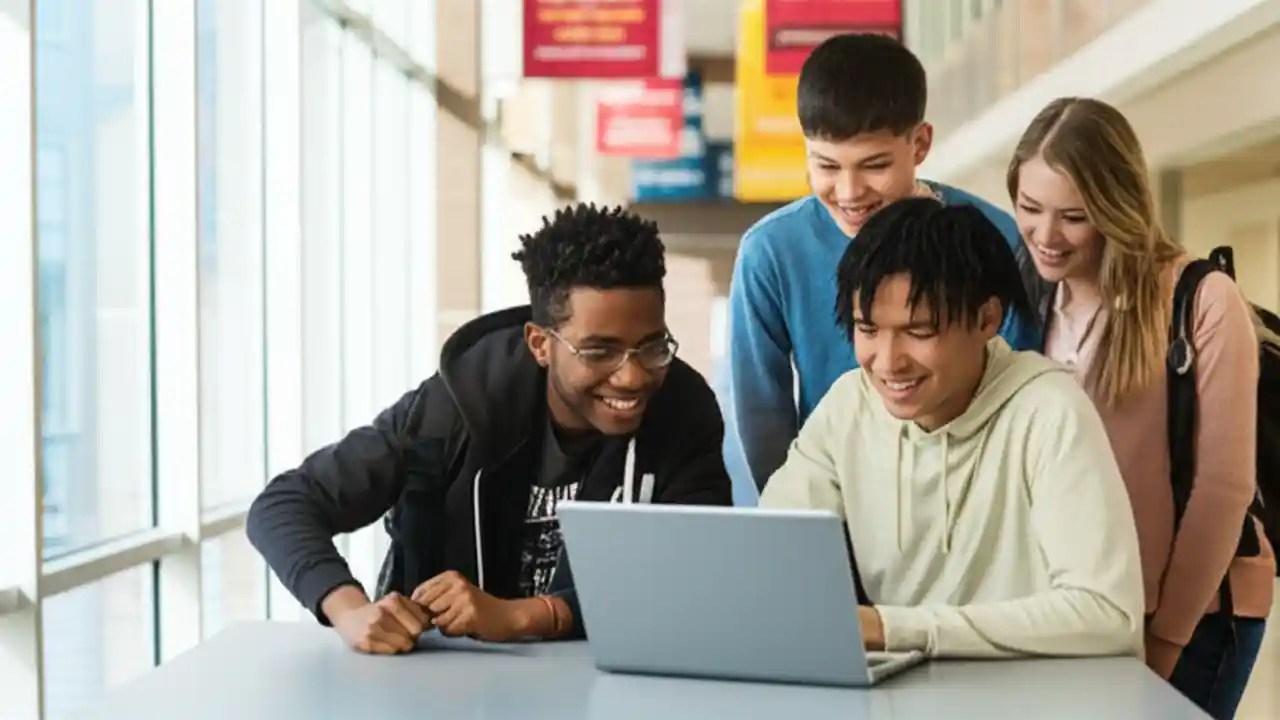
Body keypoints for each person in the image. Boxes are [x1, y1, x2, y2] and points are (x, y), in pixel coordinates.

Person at [247, 203, 732, 653]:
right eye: (599, 351)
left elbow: (697, 576)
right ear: (540, 344)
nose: (633, 376)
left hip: (603, 684)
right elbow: (284, 505)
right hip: (437, 690)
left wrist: (525, 616)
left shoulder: (683, 412)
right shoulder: (456, 405)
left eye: (651, 346)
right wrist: (349, 610)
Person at [759, 197, 1144, 659]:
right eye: (868, 329)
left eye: (919, 332)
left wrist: (893, 627)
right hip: (910, 695)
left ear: (987, 319)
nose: (888, 361)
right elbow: (773, 551)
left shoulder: (1049, 410)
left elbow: (1107, 615)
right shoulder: (850, 404)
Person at [1009, 97, 1273, 718]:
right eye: (1028, 209)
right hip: (1074, 605)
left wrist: (1163, 642)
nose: (1046, 236)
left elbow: (1223, 489)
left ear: (1116, 207)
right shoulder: (1026, 296)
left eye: (1074, 216)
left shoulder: (1201, 301)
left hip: (1194, 613)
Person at [728, 33, 1047, 493]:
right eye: (827, 166)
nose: (850, 191)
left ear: (919, 144)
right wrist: (794, 521)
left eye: (874, 165)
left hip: (968, 496)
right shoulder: (770, 253)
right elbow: (762, 413)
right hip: (832, 495)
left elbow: (1018, 386)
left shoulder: (997, 241)